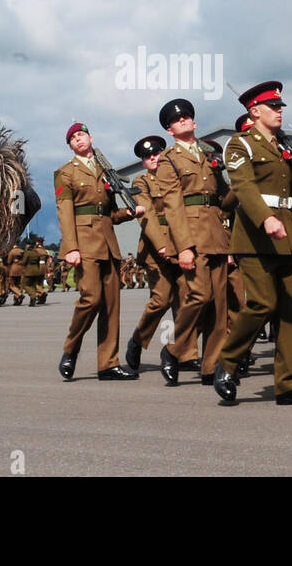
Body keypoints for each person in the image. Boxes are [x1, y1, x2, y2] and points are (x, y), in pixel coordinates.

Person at [213, 81, 292, 406]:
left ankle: (288, 386)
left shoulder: (283, 148)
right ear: (254, 111)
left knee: (291, 313)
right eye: (273, 107)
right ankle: (228, 361)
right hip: (254, 237)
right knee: (262, 303)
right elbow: (245, 186)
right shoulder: (240, 145)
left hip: (287, 237)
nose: (279, 111)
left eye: (281, 107)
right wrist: (266, 218)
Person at [156, 99, 233, 386]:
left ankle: (211, 366)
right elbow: (173, 207)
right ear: (170, 129)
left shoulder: (209, 154)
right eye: (178, 120)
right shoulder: (169, 160)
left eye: (188, 116)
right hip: (192, 236)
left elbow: (224, 198)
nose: (185, 120)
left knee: (219, 307)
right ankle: (173, 350)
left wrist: (240, 181)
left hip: (216, 234)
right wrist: (184, 247)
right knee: (199, 296)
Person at [55, 122, 141, 381]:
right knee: (90, 299)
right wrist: (71, 247)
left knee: (111, 306)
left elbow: (110, 213)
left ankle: (108, 364)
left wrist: (129, 213)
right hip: (84, 242)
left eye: (82, 135)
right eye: (73, 138)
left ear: (91, 137)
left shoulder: (106, 171)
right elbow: (65, 212)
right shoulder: (65, 173)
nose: (79, 139)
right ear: (70, 146)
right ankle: (71, 348)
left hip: (108, 242)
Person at [125, 135, 180, 371]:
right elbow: (146, 215)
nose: (153, 158)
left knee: (186, 300)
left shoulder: (176, 178)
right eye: (147, 157)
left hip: (182, 243)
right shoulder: (142, 182)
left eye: (156, 153)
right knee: (162, 300)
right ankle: (138, 339)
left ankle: (180, 353)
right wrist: (161, 244)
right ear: (143, 162)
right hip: (155, 250)